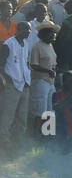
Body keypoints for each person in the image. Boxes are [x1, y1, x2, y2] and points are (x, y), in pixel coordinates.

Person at [0, 19, 33, 152]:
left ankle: (18, 142)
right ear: (18, 30)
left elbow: (26, 62)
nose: (28, 32)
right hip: (12, 84)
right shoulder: (8, 44)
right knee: (8, 115)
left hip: (24, 84)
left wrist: (28, 78)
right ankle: (4, 142)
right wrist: (8, 80)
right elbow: (1, 65)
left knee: (22, 116)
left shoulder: (25, 44)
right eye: (26, 29)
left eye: (30, 29)